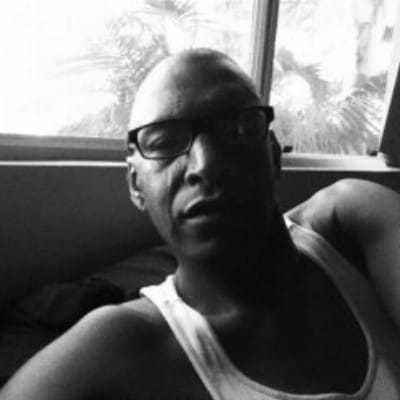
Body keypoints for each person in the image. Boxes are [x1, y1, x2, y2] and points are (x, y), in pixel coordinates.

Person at [1, 48, 400, 400]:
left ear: (274, 155)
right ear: (136, 185)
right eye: (164, 142)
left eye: (236, 130)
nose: (206, 166)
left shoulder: (353, 220)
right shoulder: (123, 341)